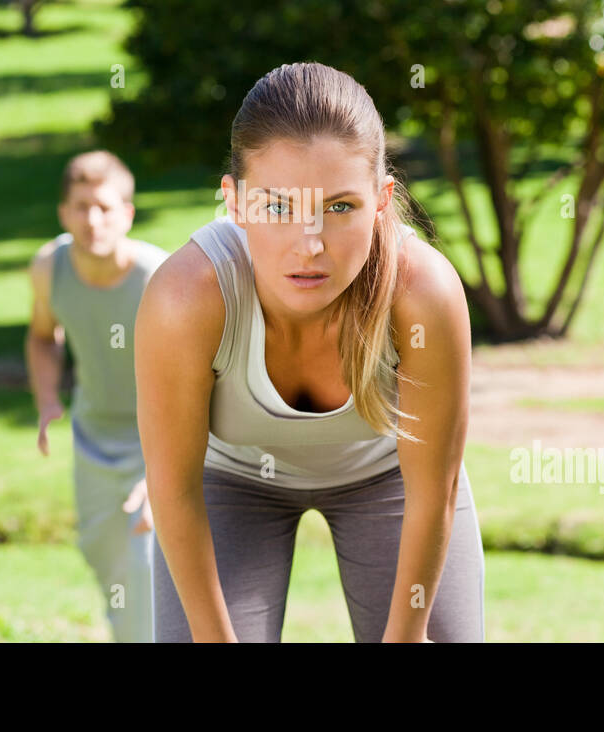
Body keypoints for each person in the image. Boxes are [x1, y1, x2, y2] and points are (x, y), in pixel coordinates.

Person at [135, 62, 484, 643]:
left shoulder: (423, 294)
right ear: (236, 202)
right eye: (278, 207)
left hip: (391, 481)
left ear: (381, 201)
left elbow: (434, 490)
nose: (311, 243)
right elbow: (172, 488)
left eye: (341, 206)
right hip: (231, 482)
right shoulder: (187, 297)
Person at [26, 149, 169, 643]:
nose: (93, 219)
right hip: (92, 440)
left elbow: (204, 379)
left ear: (127, 214)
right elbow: (43, 336)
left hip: (157, 443)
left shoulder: (160, 280)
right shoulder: (50, 268)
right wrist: (47, 401)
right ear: (63, 213)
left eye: (105, 207)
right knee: (108, 564)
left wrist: (166, 470)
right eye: (81, 206)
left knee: (148, 563)